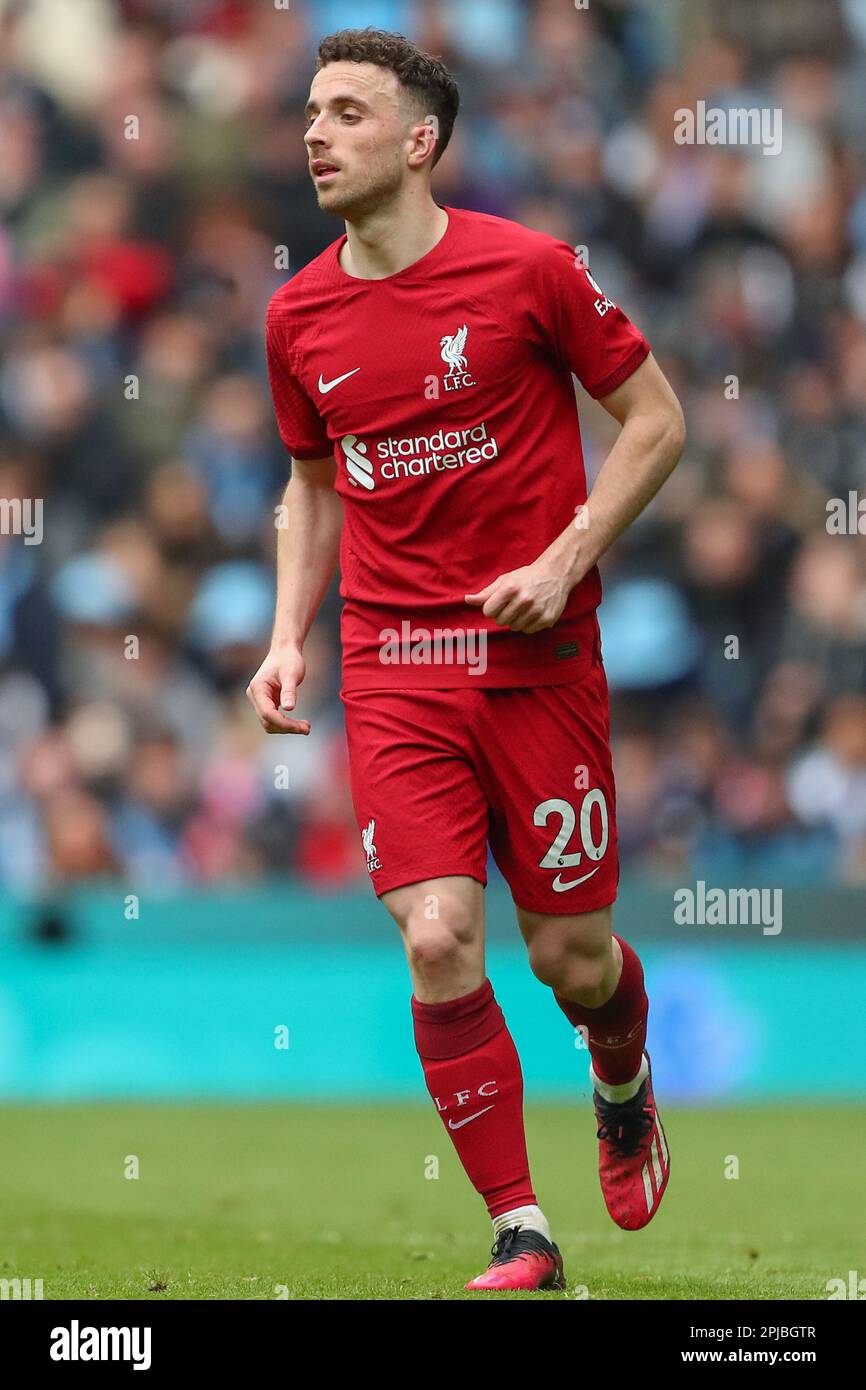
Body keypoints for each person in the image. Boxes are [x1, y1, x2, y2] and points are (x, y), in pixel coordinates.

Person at [248, 26, 685, 1293]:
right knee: (437, 938)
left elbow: (655, 421)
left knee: (571, 960)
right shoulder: (296, 314)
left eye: (345, 113)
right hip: (394, 665)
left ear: (419, 141)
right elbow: (311, 486)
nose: (316, 134)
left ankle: (621, 1075)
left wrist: (567, 554)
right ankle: (520, 1228)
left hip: (540, 662)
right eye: (310, 112)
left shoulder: (531, 269)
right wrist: (287, 636)